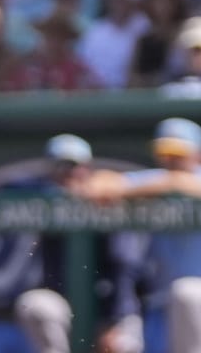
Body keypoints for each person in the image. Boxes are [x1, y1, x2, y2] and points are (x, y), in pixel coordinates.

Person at [77, 118, 201, 353]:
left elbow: (181, 183)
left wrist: (130, 191)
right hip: (163, 301)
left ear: (200, 155)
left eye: (179, 153)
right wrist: (125, 188)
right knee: (131, 335)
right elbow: (96, 184)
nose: (171, 160)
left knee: (187, 294)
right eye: (166, 153)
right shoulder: (152, 181)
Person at [12, 134, 145, 353]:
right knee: (37, 304)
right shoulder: (46, 201)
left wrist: (112, 323)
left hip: (115, 310)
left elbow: (123, 265)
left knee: (122, 346)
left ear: (87, 168)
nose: (68, 173)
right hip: (67, 311)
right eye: (61, 166)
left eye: (74, 166)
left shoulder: (108, 196)